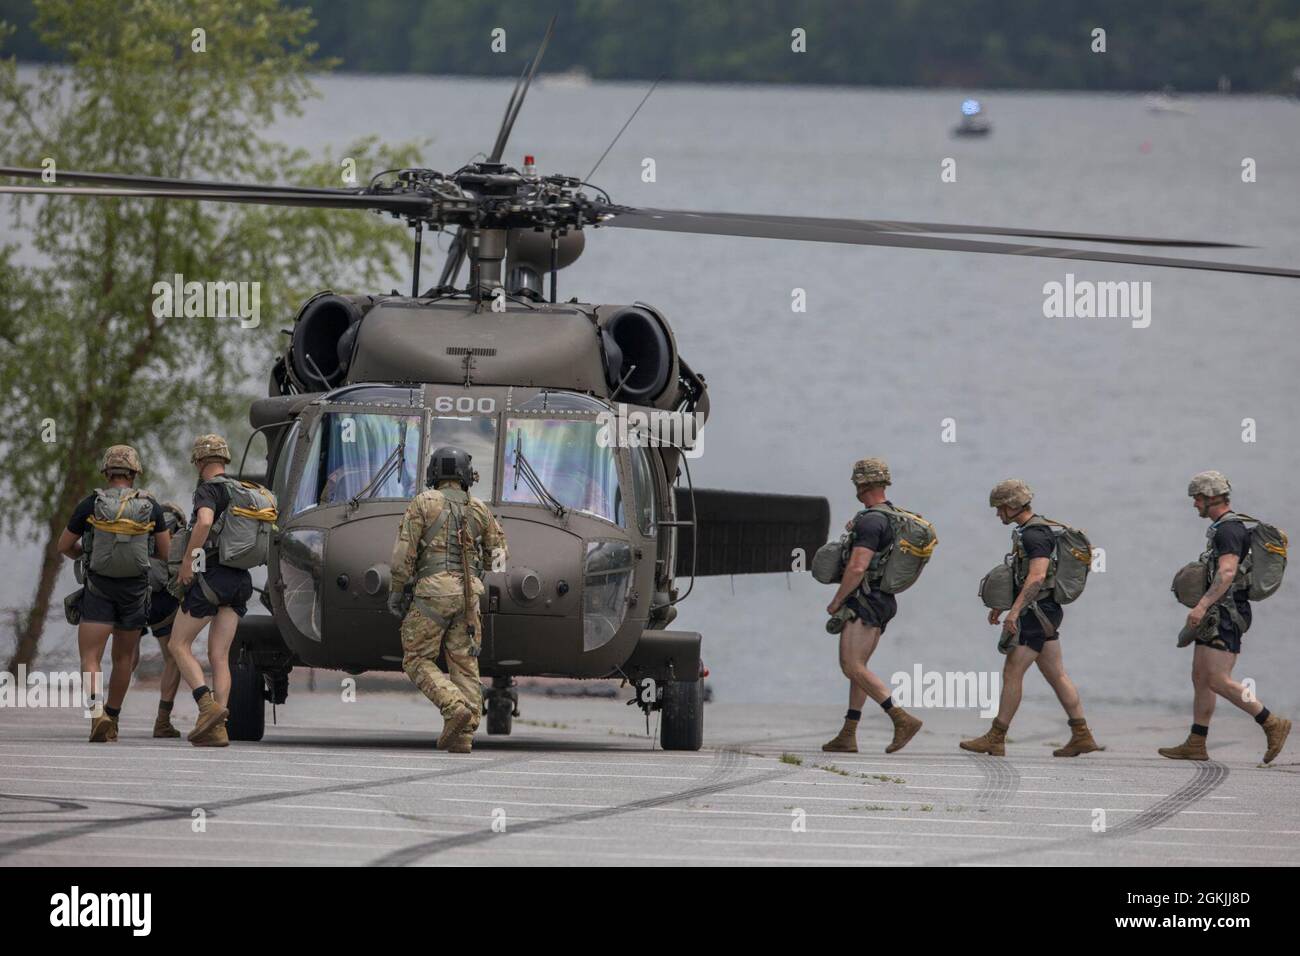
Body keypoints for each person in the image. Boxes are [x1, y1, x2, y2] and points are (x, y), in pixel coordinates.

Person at [961, 479, 1100, 757]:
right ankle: (1082, 735)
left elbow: (1036, 577)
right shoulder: (1033, 530)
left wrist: (1014, 612)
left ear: (1013, 506)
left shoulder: (1034, 535)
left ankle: (996, 737)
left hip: (1035, 613)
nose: (998, 513)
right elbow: (1023, 576)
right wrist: (1004, 605)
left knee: (1012, 672)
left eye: (1000, 508)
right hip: (1045, 610)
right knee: (1056, 674)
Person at [1159, 471, 1290, 763]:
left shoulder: (1228, 530)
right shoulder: (1223, 528)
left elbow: (1228, 572)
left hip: (1226, 614)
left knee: (1218, 680)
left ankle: (1270, 721)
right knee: (1200, 677)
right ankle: (1197, 741)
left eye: (1196, 499)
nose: (1194, 504)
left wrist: (1202, 605)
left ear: (1209, 498)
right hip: (1218, 613)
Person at [389, 446, 507, 753]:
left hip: (432, 594)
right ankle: (464, 735)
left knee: (416, 659)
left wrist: (396, 590)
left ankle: (453, 707)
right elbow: (499, 558)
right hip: (469, 598)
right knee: (465, 665)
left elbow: (404, 555)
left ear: (434, 473)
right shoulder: (480, 508)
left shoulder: (423, 503)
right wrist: (476, 576)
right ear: (466, 475)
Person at [58, 445, 170, 742]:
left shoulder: (91, 504)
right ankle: (113, 718)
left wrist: (87, 554)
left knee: (91, 657)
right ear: (134, 474)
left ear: (107, 473)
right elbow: (164, 552)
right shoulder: (150, 505)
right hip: (134, 591)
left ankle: (97, 715)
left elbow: (63, 545)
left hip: (98, 588)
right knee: (123, 659)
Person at [822, 457, 924, 755]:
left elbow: (857, 566)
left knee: (850, 665)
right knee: (859, 669)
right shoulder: (890, 515)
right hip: (882, 600)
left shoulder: (871, 520)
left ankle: (900, 717)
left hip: (864, 601)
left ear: (861, 483)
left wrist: (837, 599)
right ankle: (848, 733)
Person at [166, 434, 254, 748]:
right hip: (240, 581)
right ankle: (218, 728)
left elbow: (203, 523)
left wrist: (188, 561)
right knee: (220, 656)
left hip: (211, 579)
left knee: (178, 644)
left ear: (200, 461)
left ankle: (207, 706)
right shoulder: (242, 490)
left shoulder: (209, 489)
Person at [137, 501, 188, 738]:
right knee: (173, 657)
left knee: (125, 656)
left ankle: (108, 717)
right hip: (162, 600)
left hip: (133, 592)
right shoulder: (177, 527)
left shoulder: (137, 523)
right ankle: (162, 720)